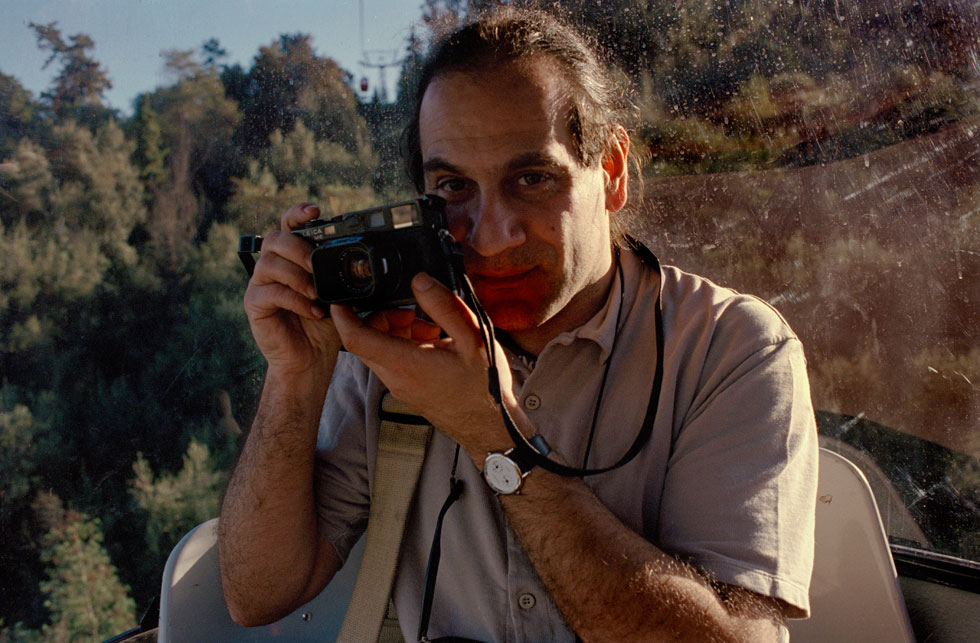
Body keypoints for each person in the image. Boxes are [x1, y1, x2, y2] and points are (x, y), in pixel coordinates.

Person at [219, 7, 817, 642]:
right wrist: (294, 379)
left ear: (612, 172)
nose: (491, 236)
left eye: (532, 179)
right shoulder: (391, 347)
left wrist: (493, 435)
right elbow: (258, 595)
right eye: (453, 188)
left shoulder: (730, 349)